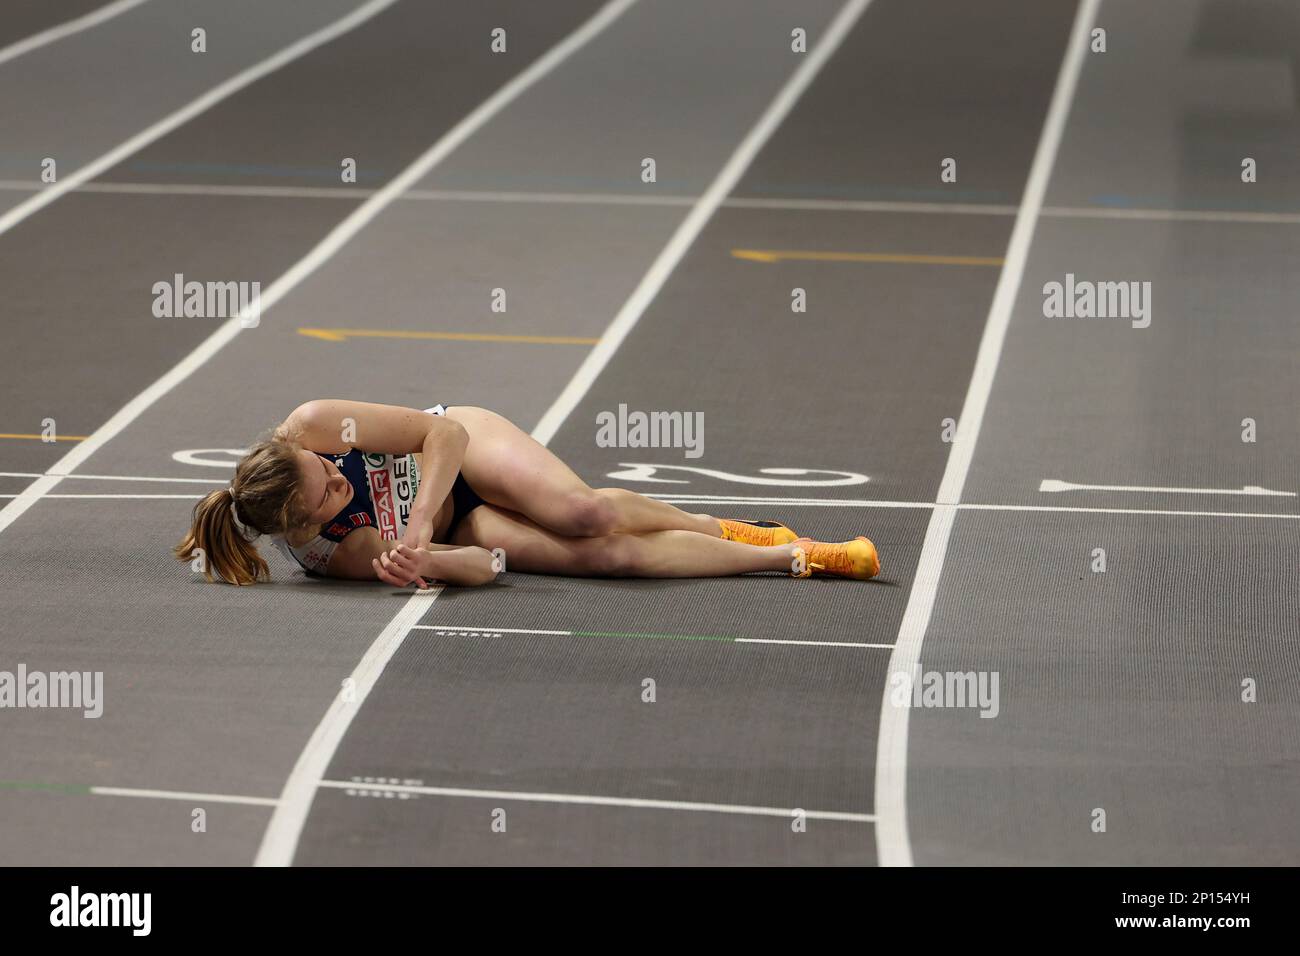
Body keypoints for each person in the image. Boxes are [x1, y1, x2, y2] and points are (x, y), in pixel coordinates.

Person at [174, 399, 880, 587]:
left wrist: (420, 512)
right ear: (305, 526)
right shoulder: (337, 553)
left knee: (586, 513)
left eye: (321, 464)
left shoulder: (313, 422)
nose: (335, 472)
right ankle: (800, 556)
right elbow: (488, 570)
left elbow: (442, 433)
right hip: (464, 530)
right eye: (329, 491)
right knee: (604, 558)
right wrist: (431, 560)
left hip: (464, 452)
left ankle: (732, 527)